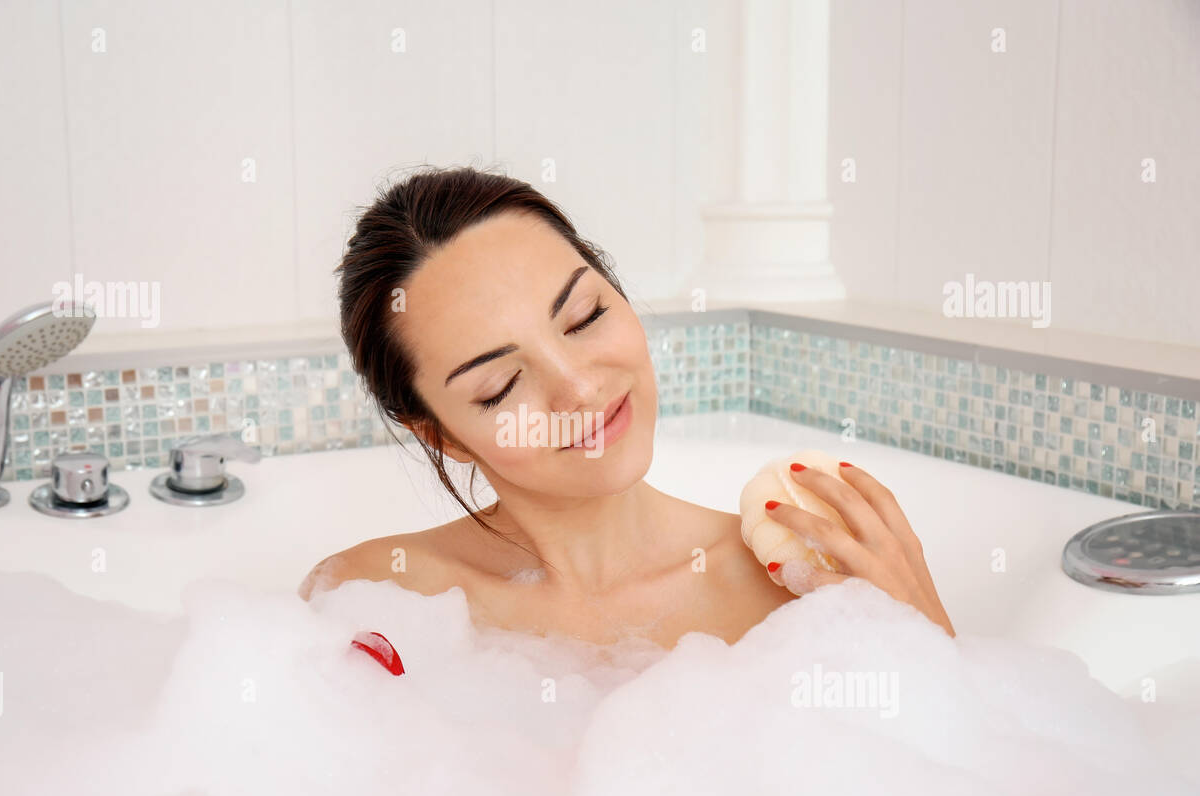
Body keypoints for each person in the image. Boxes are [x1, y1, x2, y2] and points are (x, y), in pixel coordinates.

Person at [299, 165, 955, 645]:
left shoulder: (807, 586)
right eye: (500, 386)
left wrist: (923, 637)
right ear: (442, 435)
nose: (580, 389)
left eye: (583, 317)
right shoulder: (375, 599)